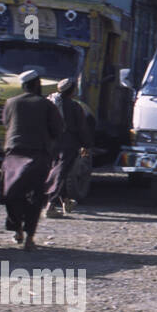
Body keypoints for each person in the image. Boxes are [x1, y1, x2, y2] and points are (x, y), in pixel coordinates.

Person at [1, 70, 63, 250]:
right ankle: (29, 237)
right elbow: (58, 129)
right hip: (38, 156)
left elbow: (6, 124)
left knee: (10, 194)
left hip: (13, 155)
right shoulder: (47, 105)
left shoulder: (11, 103)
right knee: (35, 197)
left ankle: (17, 228)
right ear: (37, 84)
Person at [44, 78, 92, 218]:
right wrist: (86, 145)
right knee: (61, 173)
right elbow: (82, 128)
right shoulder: (75, 107)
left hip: (51, 144)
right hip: (68, 145)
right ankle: (51, 205)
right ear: (72, 91)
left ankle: (66, 202)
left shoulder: (51, 103)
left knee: (58, 171)